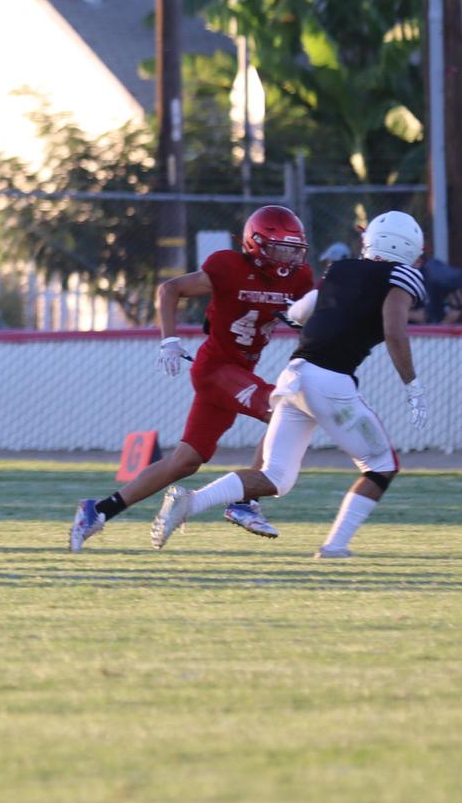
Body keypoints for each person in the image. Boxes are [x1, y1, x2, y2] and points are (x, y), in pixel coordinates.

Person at [153, 211, 428, 560]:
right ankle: (335, 547)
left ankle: (189, 503)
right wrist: (412, 386)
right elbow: (394, 330)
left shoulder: (340, 269)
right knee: (381, 465)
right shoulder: (404, 275)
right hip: (330, 382)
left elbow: (299, 312)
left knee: (276, 478)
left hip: (294, 376)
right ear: (409, 247)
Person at [68, 206, 311, 551]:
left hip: (239, 373)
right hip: (215, 369)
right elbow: (170, 289)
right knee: (283, 410)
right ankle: (242, 502)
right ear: (255, 245)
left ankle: (98, 510)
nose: (287, 257)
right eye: (279, 247)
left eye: (293, 248)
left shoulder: (299, 279)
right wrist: (169, 340)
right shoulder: (228, 266)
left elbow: (309, 314)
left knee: (185, 462)